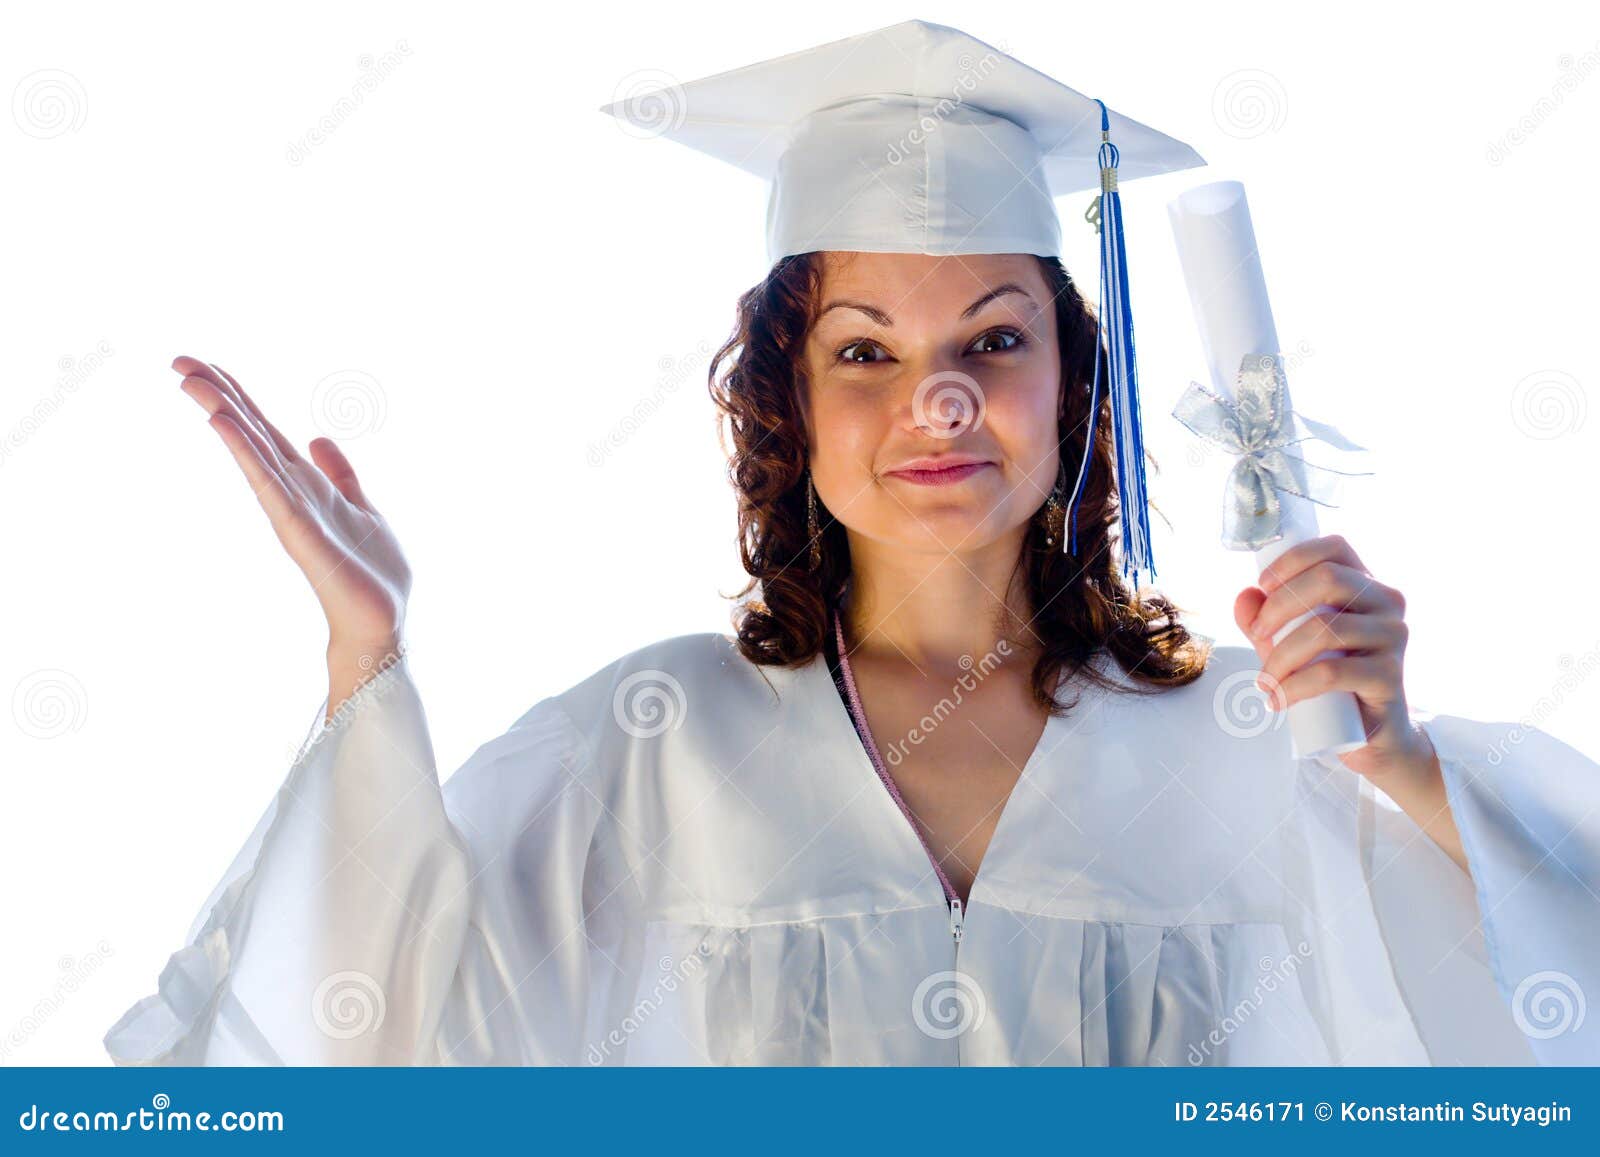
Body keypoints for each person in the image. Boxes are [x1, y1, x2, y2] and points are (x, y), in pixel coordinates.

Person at [105, 21, 1599, 1066]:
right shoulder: (653, 742)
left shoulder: (1243, 745)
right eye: (865, 352)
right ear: (788, 404)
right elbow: (388, 1029)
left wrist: (1400, 764)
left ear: (1074, 381)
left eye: (994, 338)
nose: (937, 400)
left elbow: (1525, 1018)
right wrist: (368, 656)